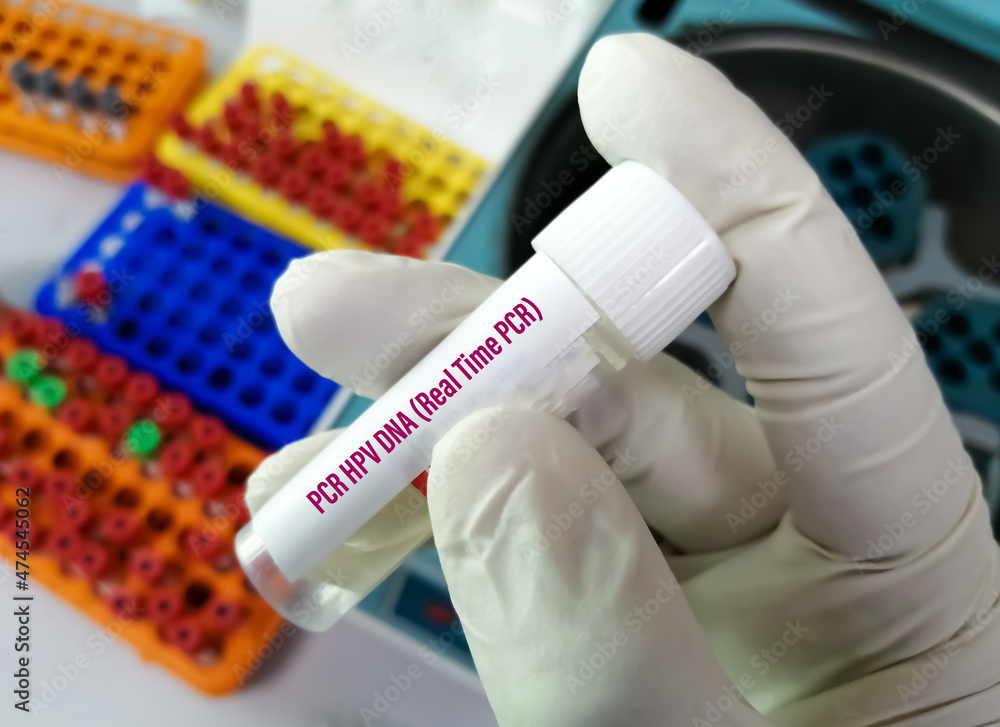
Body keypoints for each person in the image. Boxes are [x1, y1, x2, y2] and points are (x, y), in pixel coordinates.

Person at [246, 33, 1000, 726]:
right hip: (581, 297)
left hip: (591, 302)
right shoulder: (569, 315)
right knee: (466, 449)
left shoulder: (581, 324)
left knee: (472, 448)